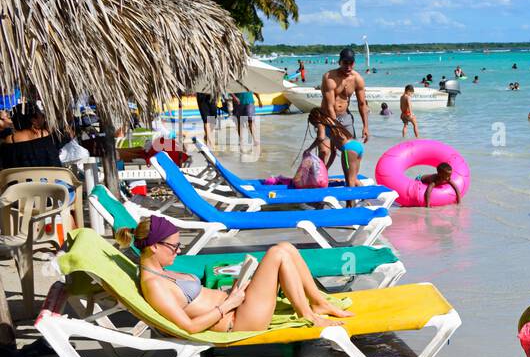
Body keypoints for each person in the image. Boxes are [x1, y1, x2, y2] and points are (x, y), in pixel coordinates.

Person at [121, 215, 353, 333]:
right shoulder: (155, 285)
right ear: (154, 246)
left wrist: (233, 291)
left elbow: (199, 298)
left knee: (286, 248)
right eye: (174, 247)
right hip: (237, 319)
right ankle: (309, 316)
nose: (178, 250)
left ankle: (318, 302)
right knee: (277, 254)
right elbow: (188, 327)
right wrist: (228, 304)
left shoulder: (161, 271)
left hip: (236, 304)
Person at [317, 48, 369, 185]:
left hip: (345, 118)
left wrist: (366, 126)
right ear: (339, 61)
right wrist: (335, 126)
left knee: (351, 150)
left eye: (351, 63)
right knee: (324, 151)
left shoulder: (357, 79)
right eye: (345, 63)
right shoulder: (329, 77)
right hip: (327, 118)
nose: (348, 66)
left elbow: (362, 104)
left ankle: (351, 180)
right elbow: (329, 105)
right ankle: (320, 179)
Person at [0, 104, 63, 170]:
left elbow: (6, 166)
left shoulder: (9, 140)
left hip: (21, 179)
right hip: (51, 178)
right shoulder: (48, 137)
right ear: (33, 121)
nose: (43, 116)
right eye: (41, 114)